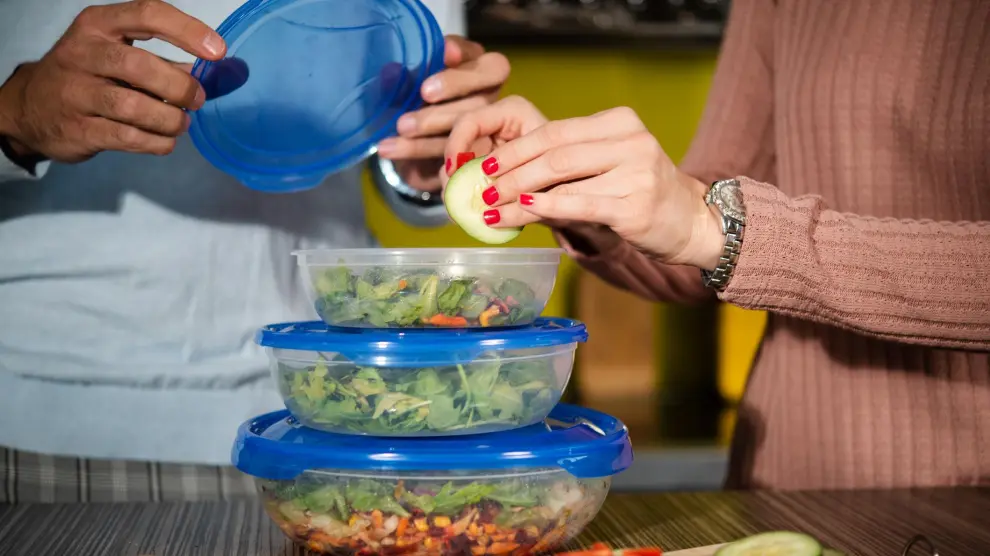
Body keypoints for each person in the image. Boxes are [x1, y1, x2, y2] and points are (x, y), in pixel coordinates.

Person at [443, 0, 990, 490]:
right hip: (778, 483)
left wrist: (721, 229)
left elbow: (723, 231)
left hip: (964, 498)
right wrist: (570, 192)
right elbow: (700, 253)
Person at [0, 0, 510, 502]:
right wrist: (17, 111)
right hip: (49, 410)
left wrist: (424, 158)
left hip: (332, 399)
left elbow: (400, 155)